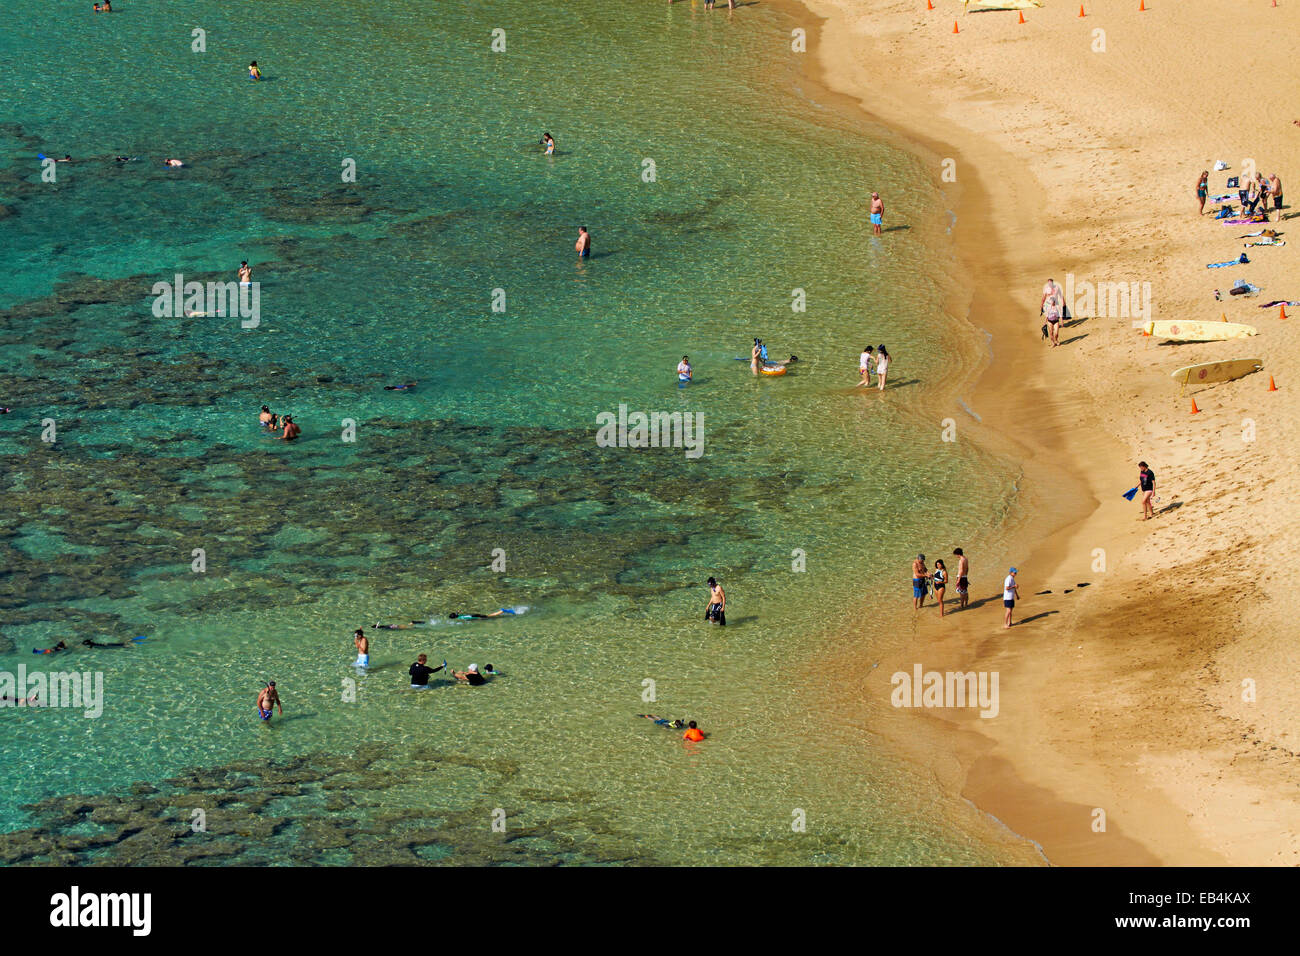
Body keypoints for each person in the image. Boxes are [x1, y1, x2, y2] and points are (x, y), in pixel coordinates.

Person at [1041, 281, 1063, 348]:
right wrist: (1045, 322)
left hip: (1056, 321)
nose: (1052, 303)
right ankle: (1053, 343)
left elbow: (1061, 315)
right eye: (1051, 302)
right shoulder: (1048, 307)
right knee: (1051, 333)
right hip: (1049, 321)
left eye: (1053, 302)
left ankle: (1056, 340)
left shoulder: (1057, 307)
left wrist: (1062, 321)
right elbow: (1047, 315)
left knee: (1056, 333)